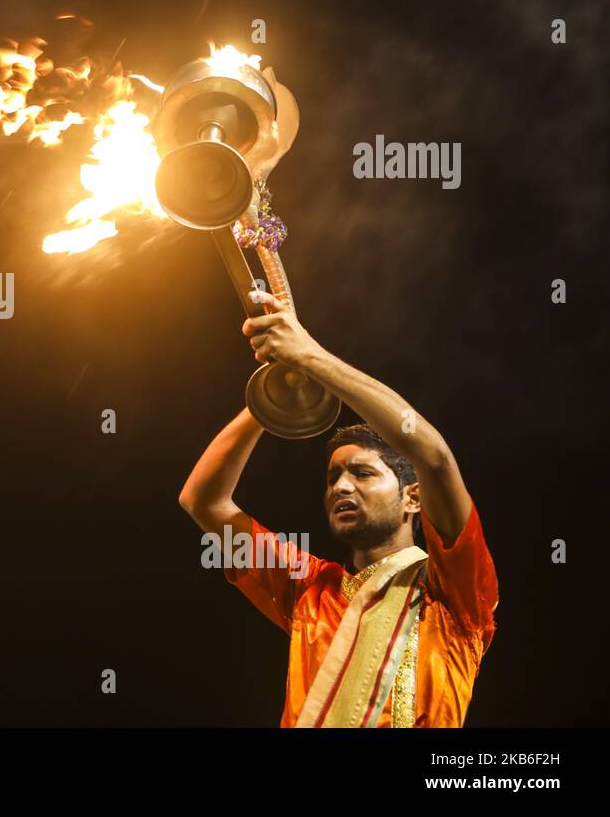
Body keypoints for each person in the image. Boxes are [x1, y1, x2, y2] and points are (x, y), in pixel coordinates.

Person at [178, 290, 498, 727]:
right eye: (333, 477)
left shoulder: (452, 591)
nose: (341, 486)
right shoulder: (309, 588)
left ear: (413, 498)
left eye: (363, 473)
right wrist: (273, 393)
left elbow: (435, 459)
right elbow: (204, 501)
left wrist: (310, 357)